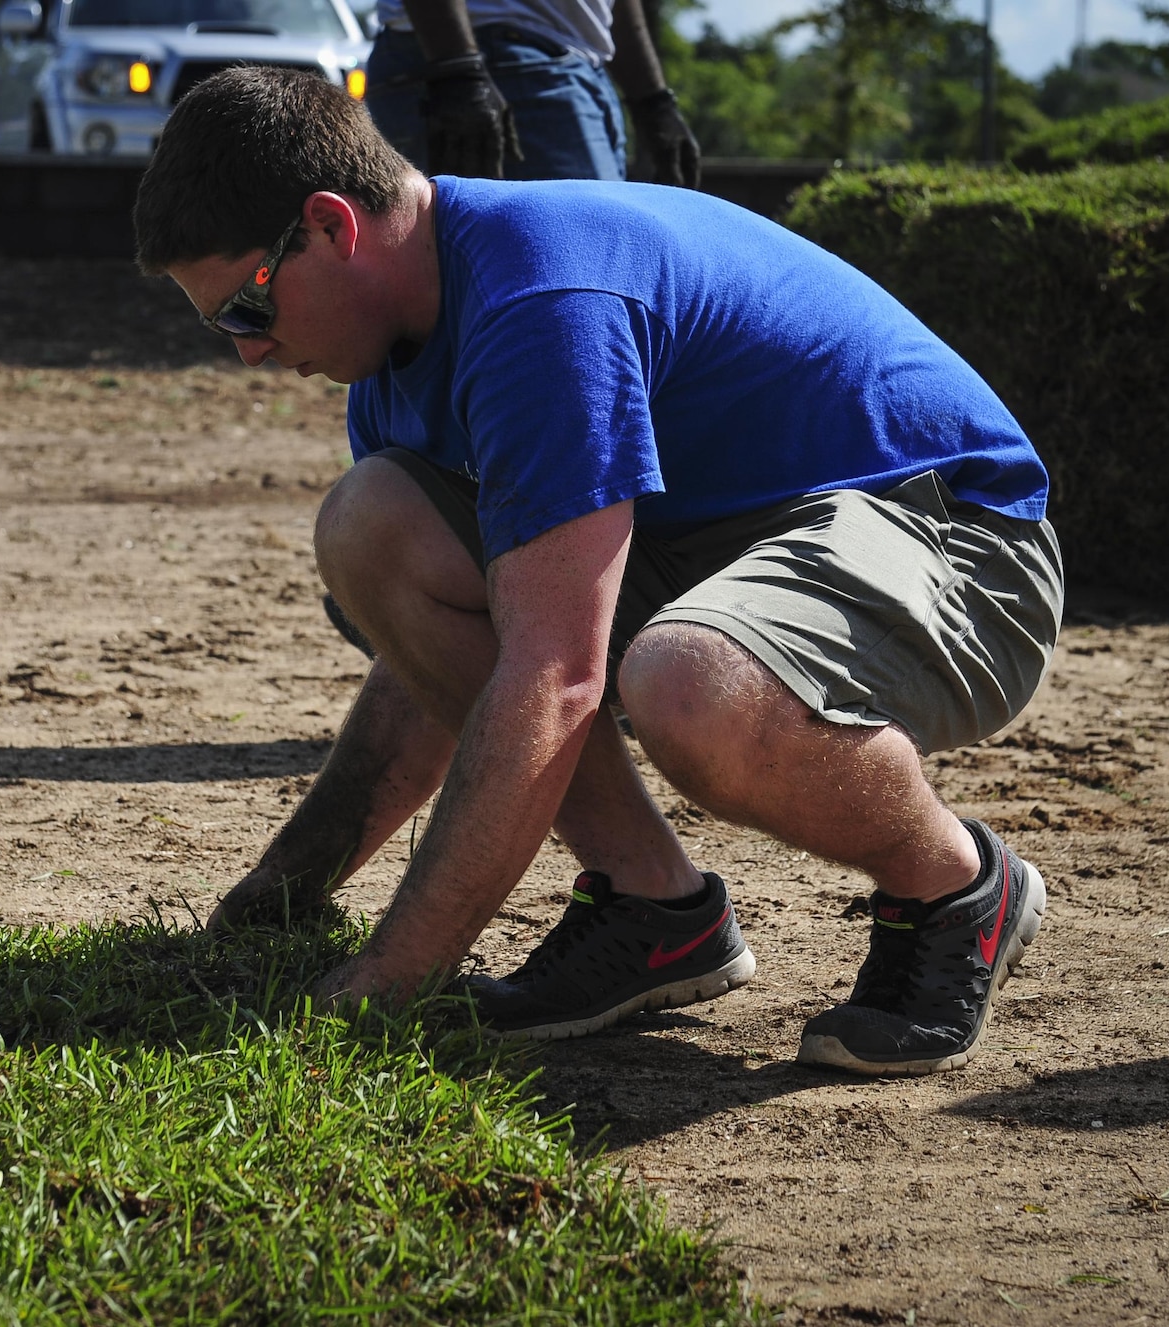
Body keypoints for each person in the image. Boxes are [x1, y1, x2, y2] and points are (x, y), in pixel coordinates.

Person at [132, 67, 1064, 1077]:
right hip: (735, 544)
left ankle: (954, 886)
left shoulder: (538, 295)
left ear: (329, 226)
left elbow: (553, 674)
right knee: (375, 523)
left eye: (244, 309)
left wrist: (389, 983)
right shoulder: (394, 358)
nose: (250, 351)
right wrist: (281, 892)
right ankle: (655, 910)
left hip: (956, 543)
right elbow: (444, 663)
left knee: (685, 683)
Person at [362, 0, 700, 187]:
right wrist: (458, 69)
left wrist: (654, 101)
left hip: (567, 66)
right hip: (492, 57)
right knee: (583, 269)